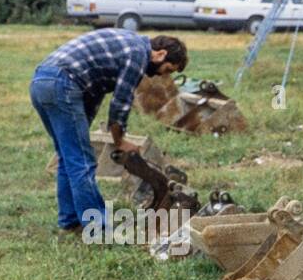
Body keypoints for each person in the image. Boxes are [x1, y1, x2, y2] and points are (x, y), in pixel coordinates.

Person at [30, 29, 188, 234]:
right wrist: (120, 141)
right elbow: (121, 102)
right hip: (62, 82)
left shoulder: (127, 43)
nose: (160, 75)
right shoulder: (138, 55)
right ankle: (98, 227)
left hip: (41, 81)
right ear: (161, 54)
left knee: (68, 157)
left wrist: (90, 129)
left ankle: (70, 221)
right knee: (82, 161)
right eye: (166, 69)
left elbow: (94, 92)